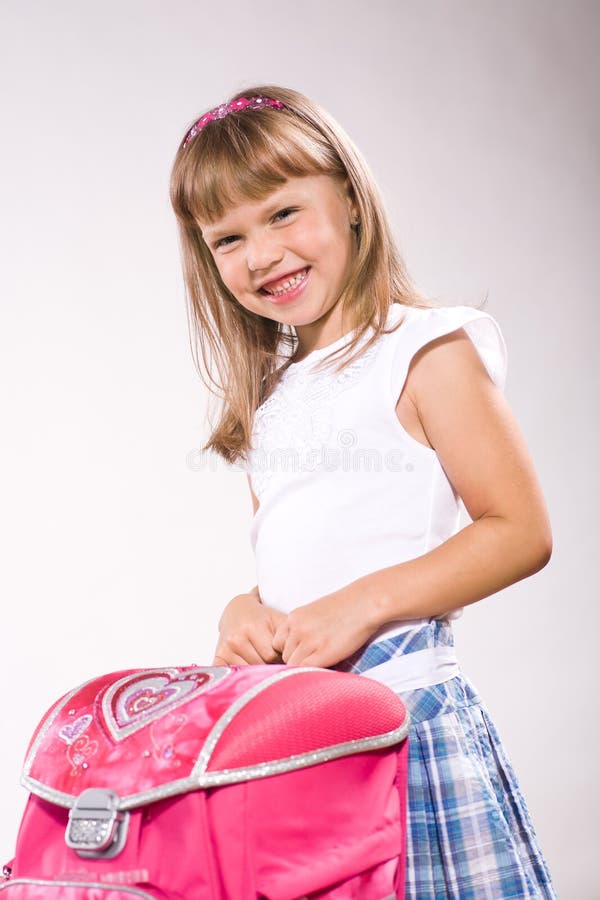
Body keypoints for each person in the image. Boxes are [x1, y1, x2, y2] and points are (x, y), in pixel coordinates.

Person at [170, 85, 558, 899]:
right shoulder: (271, 403)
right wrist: (244, 611)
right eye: (228, 237)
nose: (261, 254)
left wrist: (364, 604)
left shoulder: (422, 351)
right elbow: (296, 564)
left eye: (282, 213)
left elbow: (519, 527)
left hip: (405, 729)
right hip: (299, 740)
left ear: (348, 196)